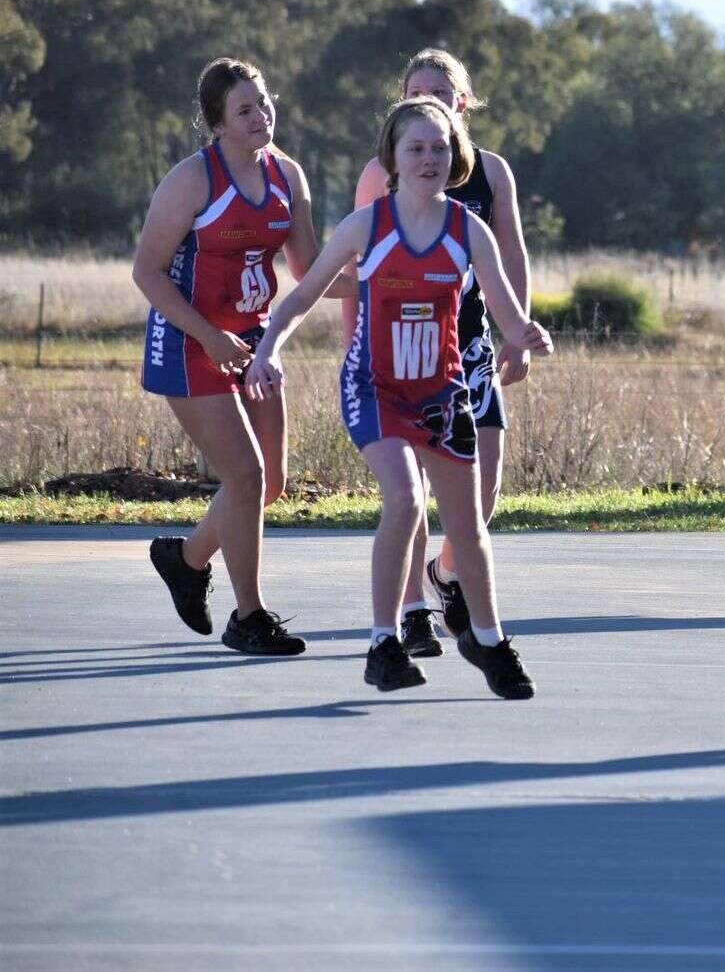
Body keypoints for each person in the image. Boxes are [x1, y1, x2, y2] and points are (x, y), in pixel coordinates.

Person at [244, 96, 554, 696]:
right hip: (376, 388)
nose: (429, 158)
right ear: (393, 157)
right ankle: (384, 643)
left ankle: (490, 643)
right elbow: (303, 295)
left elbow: (507, 316)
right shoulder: (367, 226)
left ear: (454, 155)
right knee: (406, 499)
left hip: (443, 392)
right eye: (416, 148)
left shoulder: (469, 229)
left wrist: (527, 336)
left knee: (468, 528)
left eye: (439, 147)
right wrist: (269, 348)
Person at [134, 57, 349, 655]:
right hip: (188, 341)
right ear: (218, 124)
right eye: (245, 110)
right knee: (246, 476)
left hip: (252, 342)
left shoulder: (289, 176)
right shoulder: (191, 180)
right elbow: (146, 272)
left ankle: (185, 559)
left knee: (270, 483)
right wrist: (206, 334)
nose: (261, 116)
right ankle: (248, 619)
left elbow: (309, 277)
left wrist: (388, 278)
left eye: (264, 102)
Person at [345, 49, 533, 657]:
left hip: (471, 342)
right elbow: (356, 268)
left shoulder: (491, 173)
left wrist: (518, 331)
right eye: (415, 93)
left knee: (484, 490)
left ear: (463, 103)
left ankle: (444, 575)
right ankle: (411, 612)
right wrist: (358, 344)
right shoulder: (385, 173)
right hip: (399, 353)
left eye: (442, 92)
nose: (430, 100)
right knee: (413, 487)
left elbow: (510, 258)